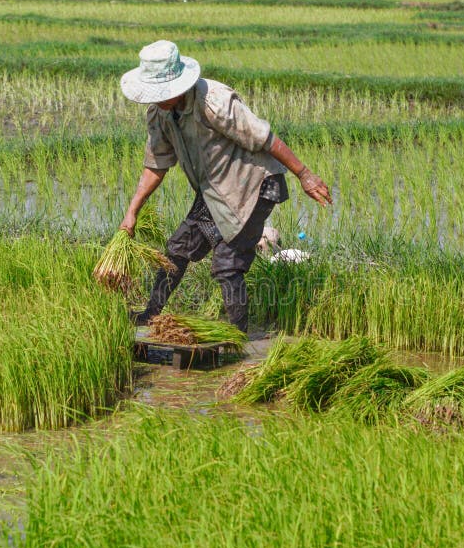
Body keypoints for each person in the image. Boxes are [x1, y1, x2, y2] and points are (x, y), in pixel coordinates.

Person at [118, 40, 332, 333]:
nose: (157, 99)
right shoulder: (160, 113)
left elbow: (265, 138)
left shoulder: (213, 101)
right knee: (177, 248)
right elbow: (156, 164)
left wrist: (304, 175)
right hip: (214, 190)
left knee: (227, 265)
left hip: (253, 184)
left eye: (162, 93)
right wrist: (132, 213)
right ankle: (149, 315)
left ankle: (236, 337)